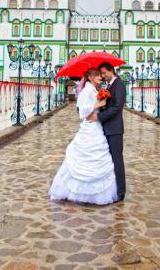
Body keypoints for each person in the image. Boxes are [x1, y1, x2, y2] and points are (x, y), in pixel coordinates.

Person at [49, 68, 118, 205]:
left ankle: (93, 193)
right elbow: (83, 111)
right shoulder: (87, 90)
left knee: (97, 157)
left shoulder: (93, 89)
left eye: (100, 75)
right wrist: (100, 103)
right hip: (90, 127)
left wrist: (101, 101)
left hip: (96, 126)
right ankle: (79, 192)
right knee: (86, 157)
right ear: (90, 77)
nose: (100, 78)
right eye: (98, 76)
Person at [87, 62, 126, 201]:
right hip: (107, 127)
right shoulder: (109, 85)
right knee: (110, 161)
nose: (102, 76)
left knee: (117, 160)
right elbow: (109, 105)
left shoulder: (119, 84)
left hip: (114, 129)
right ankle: (112, 188)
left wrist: (98, 116)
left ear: (111, 71)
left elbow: (117, 107)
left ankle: (121, 191)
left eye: (104, 73)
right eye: (101, 74)